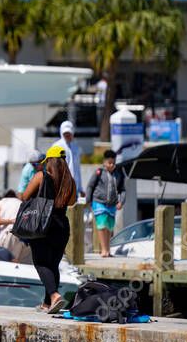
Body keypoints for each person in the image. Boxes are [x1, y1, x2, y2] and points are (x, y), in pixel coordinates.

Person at [21, 147, 77, 313]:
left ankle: (54, 295)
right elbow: (72, 202)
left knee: (41, 263)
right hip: (62, 226)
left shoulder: (42, 176)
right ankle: (47, 304)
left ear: (50, 162)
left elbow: (24, 196)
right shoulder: (70, 181)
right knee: (53, 265)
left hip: (43, 224)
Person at [85, 149, 126, 257]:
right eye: (109, 163)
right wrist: (88, 200)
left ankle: (107, 250)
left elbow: (122, 189)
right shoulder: (99, 172)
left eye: (113, 163)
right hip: (98, 202)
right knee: (102, 225)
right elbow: (90, 186)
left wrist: (121, 201)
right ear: (104, 162)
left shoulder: (119, 174)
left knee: (109, 227)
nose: (112, 165)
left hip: (112, 204)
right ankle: (103, 250)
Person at [54, 120, 84, 198]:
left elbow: (77, 169)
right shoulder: (56, 147)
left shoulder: (75, 148)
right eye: (65, 133)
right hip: (61, 188)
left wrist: (80, 188)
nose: (67, 135)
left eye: (69, 133)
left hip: (74, 188)